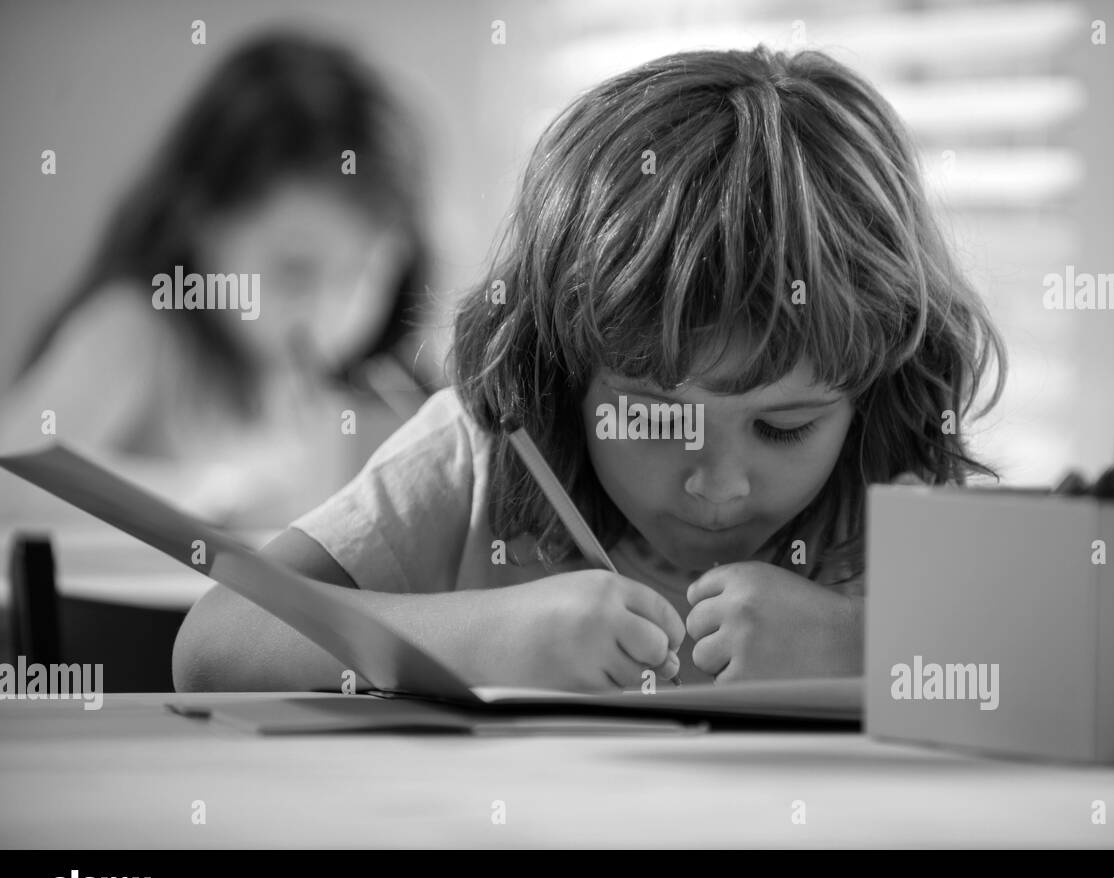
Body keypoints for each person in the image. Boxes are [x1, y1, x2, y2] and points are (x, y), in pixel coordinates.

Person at [173, 45, 1006, 692]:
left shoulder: (895, 499)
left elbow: (1075, 679)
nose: (716, 488)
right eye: (650, 417)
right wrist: (488, 638)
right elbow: (217, 640)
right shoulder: (477, 457)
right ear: (559, 371)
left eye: (784, 428)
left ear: (873, 395)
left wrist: (862, 649)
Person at [0, 32, 434, 526]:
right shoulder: (137, 331)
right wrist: (213, 497)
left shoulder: (328, 389)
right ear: (202, 222)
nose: (327, 310)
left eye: (362, 272)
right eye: (294, 269)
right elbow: (13, 478)